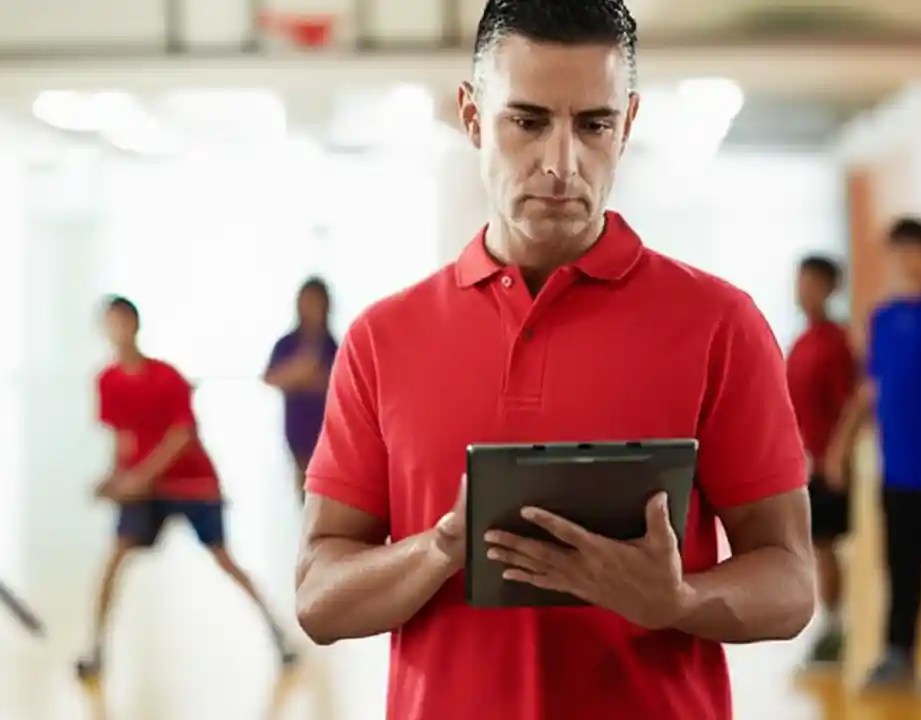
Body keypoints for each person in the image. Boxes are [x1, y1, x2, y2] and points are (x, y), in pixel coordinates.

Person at [292, 2, 815, 719]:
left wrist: (678, 601)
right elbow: (320, 599)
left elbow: (789, 581)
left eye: (593, 125)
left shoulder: (720, 323)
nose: (561, 164)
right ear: (473, 118)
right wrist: (444, 546)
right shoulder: (384, 337)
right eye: (528, 121)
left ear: (627, 124)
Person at [77, 296, 297, 690]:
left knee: (225, 560)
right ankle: (95, 650)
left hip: (192, 485)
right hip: (146, 491)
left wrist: (141, 478)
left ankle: (278, 634)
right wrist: (112, 479)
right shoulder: (107, 381)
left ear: (135, 325)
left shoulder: (167, 378)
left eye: (123, 321)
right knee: (113, 560)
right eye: (110, 323)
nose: (117, 330)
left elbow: (181, 436)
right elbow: (123, 439)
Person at [826, 217, 921, 694]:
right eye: (897, 253)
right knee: (900, 564)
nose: (905, 261)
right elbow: (871, 390)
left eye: (913, 252)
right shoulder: (883, 318)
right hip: (896, 467)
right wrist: (842, 445)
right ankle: (899, 653)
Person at [786, 256, 857, 667]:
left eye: (811, 282)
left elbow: (853, 404)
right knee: (815, 545)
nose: (802, 290)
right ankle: (826, 626)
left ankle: (834, 629)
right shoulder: (801, 342)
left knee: (826, 545)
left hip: (826, 463)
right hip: (801, 464)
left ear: (829, 288)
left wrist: (837, 456)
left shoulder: (836, 342)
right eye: (800, 282)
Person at [263, 277, 338, 503]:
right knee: (304, 489)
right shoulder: (287, 343)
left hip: (327, 430)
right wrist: (300, 372)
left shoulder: (332, 344)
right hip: (297, 429)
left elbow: (334, 383)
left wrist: (306, 378)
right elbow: (271, 377)